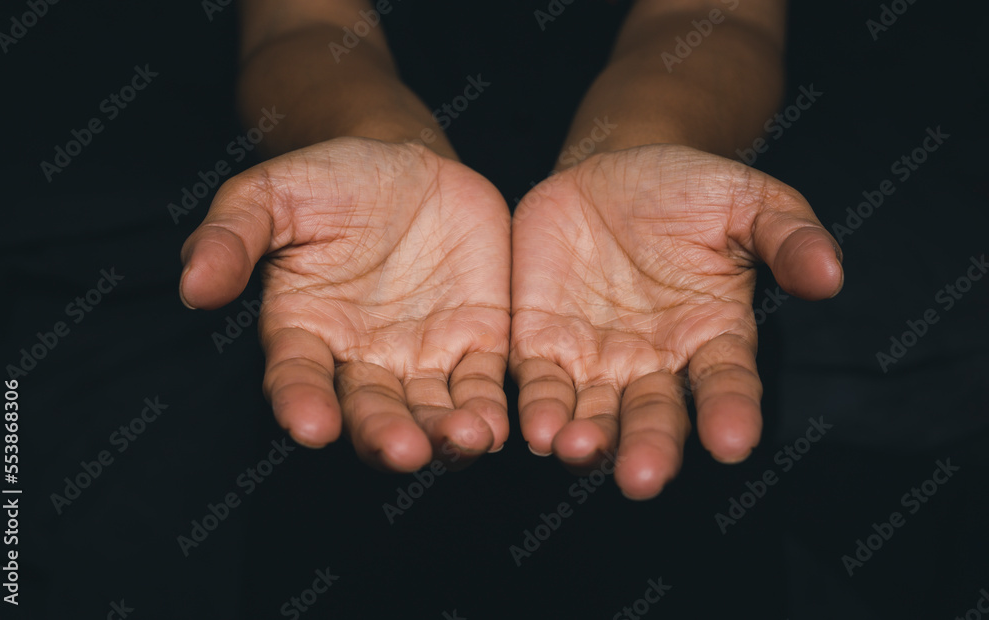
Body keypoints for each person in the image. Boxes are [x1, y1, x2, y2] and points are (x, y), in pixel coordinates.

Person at [178, 0, 843, 500]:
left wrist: (642, 142)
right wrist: (380, 138)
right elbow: (296, 26)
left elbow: (715, 17)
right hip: (355, 302)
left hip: (667, 303)